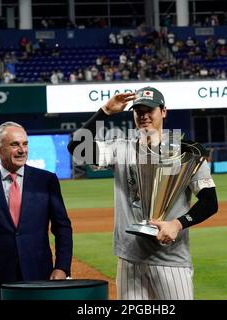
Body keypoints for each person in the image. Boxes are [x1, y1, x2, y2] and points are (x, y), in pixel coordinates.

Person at [68, 87, 218, 300]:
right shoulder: (121, 149)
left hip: (171, 260)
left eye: (150, 109)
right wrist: (105, 111)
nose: (144, 115)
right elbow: (76, 147)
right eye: (138, 110)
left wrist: (177, 224)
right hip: (129, 260)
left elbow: (210, 202)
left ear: (164, 111)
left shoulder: (186, 153)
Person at [0, 121, 73, 300]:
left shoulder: (47, 181)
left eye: (25, 144)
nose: (22, 150)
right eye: (15, 144)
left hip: (41, 277)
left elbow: (62, 228)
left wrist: (62, 267)